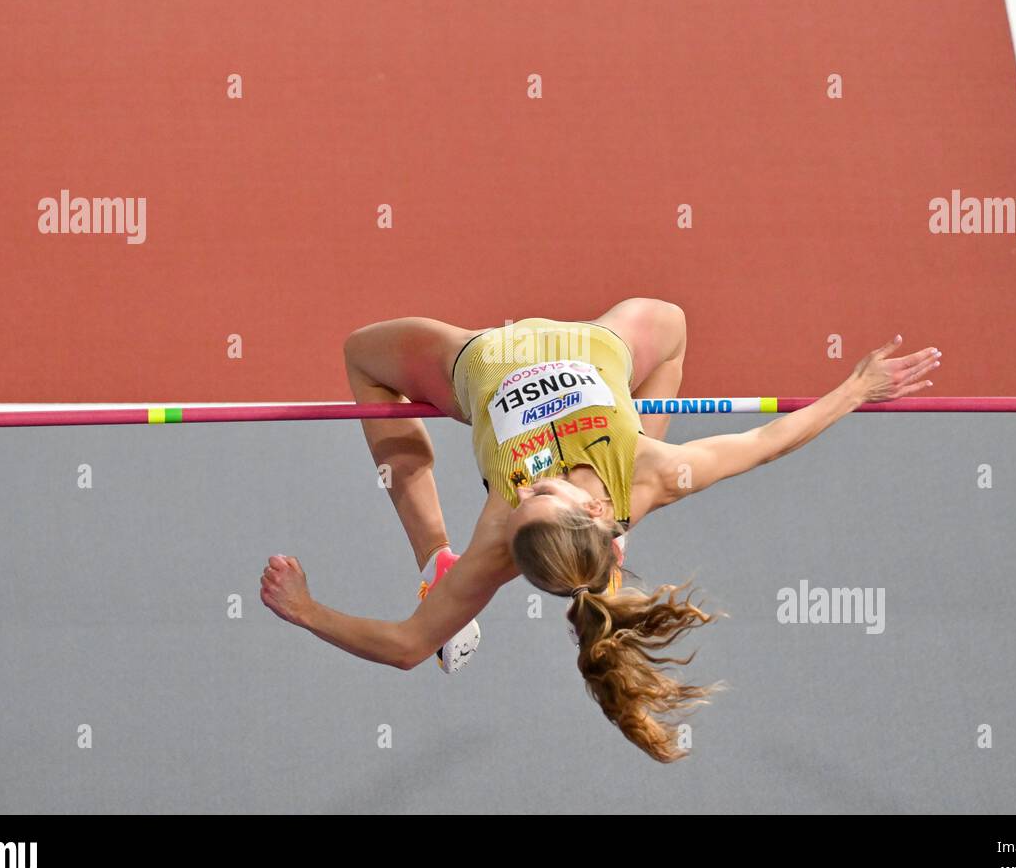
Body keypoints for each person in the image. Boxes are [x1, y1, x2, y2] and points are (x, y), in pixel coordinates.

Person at [260, 298, 940, 762]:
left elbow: (409, 644)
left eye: (519, 496)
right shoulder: (648, 471)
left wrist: (305, 609)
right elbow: (766, 440)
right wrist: (857, 386)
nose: (525, 486)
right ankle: (559, 544)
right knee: (670, 323)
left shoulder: (500, 535)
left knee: (363, 358)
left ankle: (435, 557)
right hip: (594, 351)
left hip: (484, 362)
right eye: (541, 493)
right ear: (592, 513)